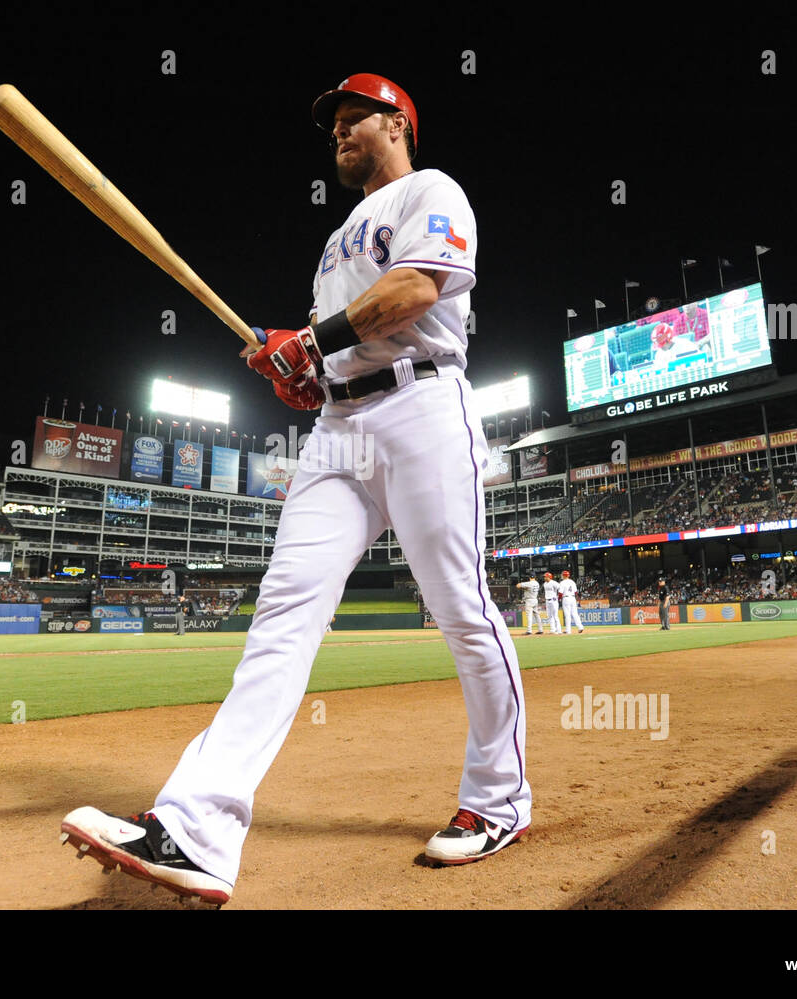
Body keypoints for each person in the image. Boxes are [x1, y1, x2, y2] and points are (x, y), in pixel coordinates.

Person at [61, 73, 530, 906]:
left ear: (397, 122)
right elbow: (332, 350)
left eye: (353, 119)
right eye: (334, 126)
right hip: (338, 431)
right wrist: (304, 372)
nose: (338, 134)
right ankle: (198, 826)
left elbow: (416, 291)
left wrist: (310, 340)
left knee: (460, 605)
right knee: (284, 609)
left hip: (423, 406)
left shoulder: (431, 189)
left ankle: (500, 800)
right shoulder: (334, 241)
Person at [557, 570, 585, 634]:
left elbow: (560, 593)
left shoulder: (562, 582)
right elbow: (575, 592)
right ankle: (580, 627)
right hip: (573, 598)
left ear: (564, 576)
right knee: (575, 613)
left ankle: (568, 630)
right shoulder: (572, 582)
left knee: (567, 615)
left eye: (562, 575)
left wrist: (559, 599)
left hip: (566, 598)